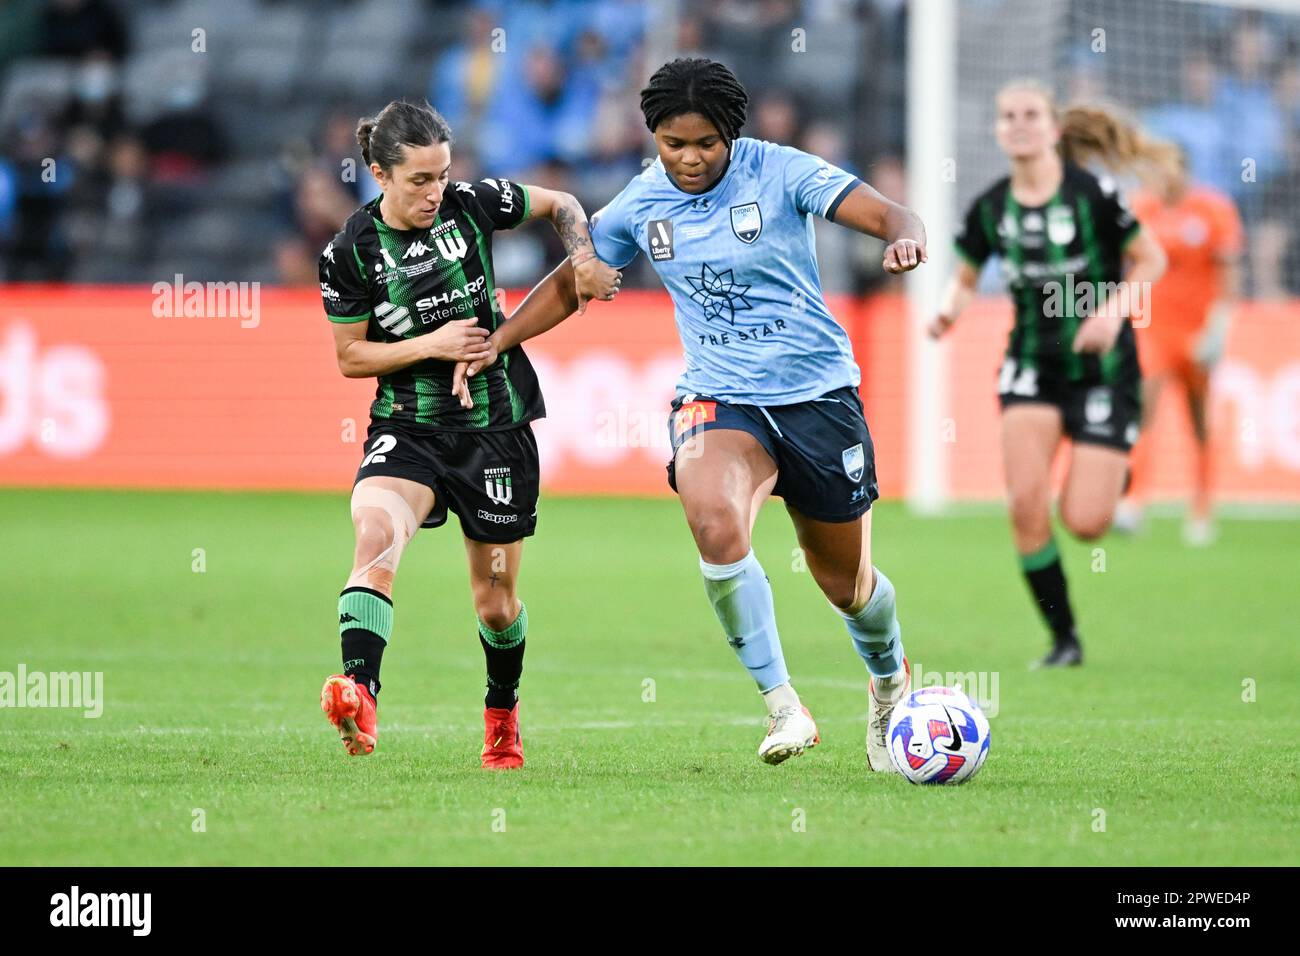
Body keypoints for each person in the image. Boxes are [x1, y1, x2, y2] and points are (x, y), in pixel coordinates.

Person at [455, 58, 927, 771]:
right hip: (721, 395)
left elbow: (888, 212)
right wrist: (502, 341)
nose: (690, 157)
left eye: (706, 142)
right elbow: (570, 285)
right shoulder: (643, 204)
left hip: (818, 397)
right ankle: (783, 706)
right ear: (654, 138)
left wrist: (902, 235)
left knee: (848, 587)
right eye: (675, 143)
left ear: (731, 136)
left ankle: (890, 682)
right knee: (712, 517)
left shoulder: (782, 171)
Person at [316, 100, 619, 768]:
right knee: (374, 536)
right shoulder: (349, 252)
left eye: (442, 175)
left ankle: (502, 715)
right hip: (409, 428)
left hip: (496, 427)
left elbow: (563, 203)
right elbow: (350, 357)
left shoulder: (475, 204)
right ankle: (361, 692)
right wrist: (432, 343)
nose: (434, 192)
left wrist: (585, 257)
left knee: (498, 603)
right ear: (378, 173)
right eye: (418, 180)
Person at [930, 79, 1168, 667]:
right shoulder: (991, 208)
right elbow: (963, 279)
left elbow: (1151, 258)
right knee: (1025, 506)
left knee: (1085, 523)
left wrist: (1113, 313)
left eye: (1030, 114)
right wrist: (945, 313)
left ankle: (1115, 474)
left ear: (1053, 128)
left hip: (1103, 371)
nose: (1018, 123)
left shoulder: (1093, 194)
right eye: (1007, 115)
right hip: (1031, 368)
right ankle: (1064, 640)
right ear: (997, 129)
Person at [1116, 147, 1242, 545]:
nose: (1158, 176)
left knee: (1199, 420)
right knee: (1143, 410)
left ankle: (1203, 506)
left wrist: (1219, 327)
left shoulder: (1213, 210)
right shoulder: (1140, 208)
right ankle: (1134, 503)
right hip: (1152, 330)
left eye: (1165, 167)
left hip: (1198, 333)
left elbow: (1229, 274)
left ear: (1184, 170)